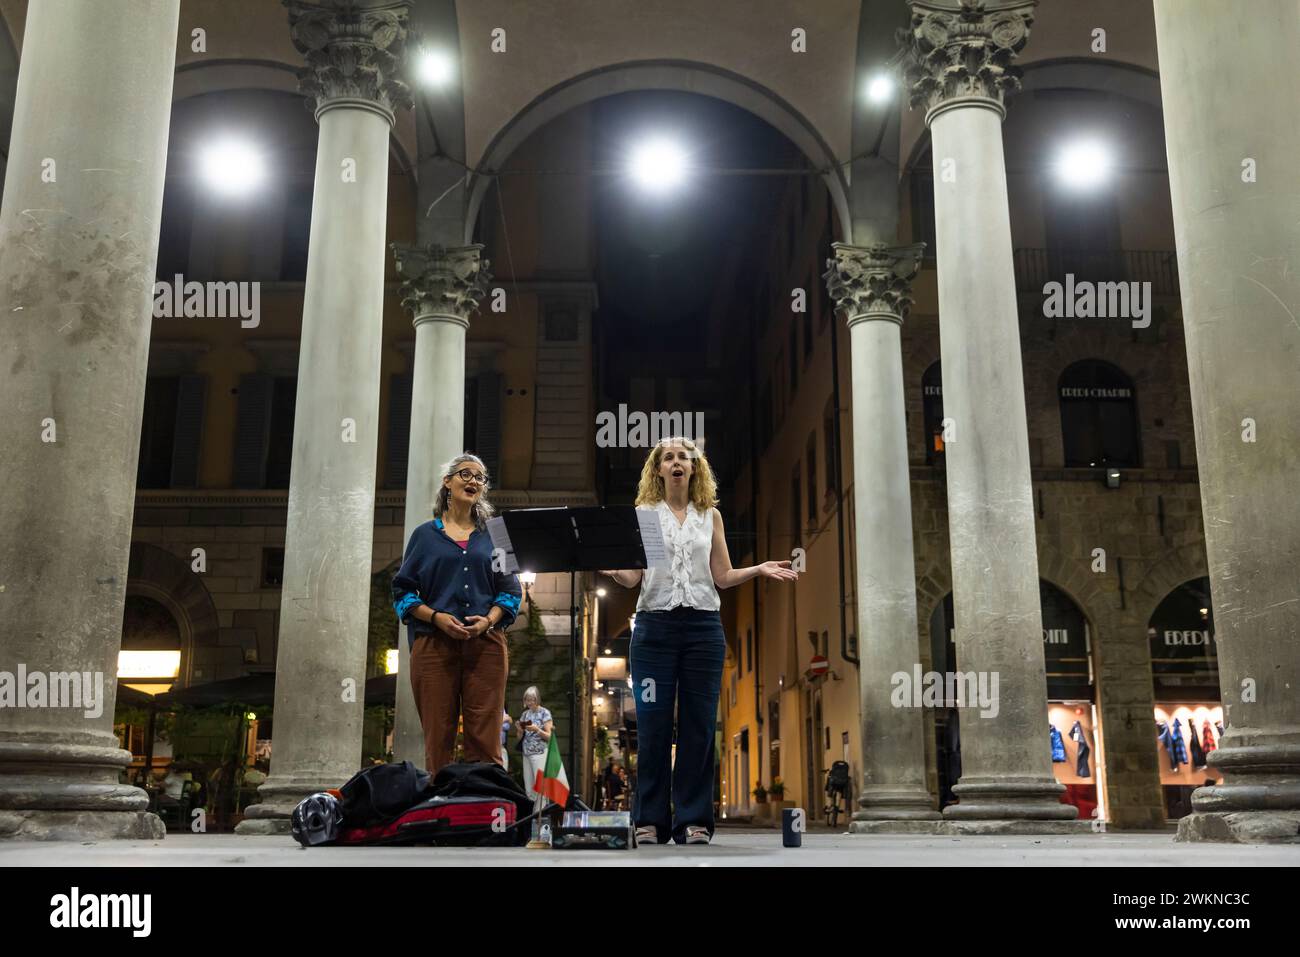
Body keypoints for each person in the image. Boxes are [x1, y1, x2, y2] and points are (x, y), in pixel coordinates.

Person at [602, 436, 797, 845]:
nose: (676, 463)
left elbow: (722, 577)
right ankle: (649, 821)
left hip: (703, 631)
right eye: (668, 457)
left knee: (698, 727)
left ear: (694, 469)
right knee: (653, 727)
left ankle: (694, 819)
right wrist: (607, 565)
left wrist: (758, 568)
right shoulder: (644, 516)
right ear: (657, 469)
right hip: (653, 630)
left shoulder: (711, 516)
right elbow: (634, 576)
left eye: (684, 458)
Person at [392, 453, 521, 774]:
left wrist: (488, 621)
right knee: (439, 738)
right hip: (433, 646)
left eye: (480, 477)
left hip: (487, 645)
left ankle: (485, 811)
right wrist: (436, 618)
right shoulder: (424, 536)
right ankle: (440, 812)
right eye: (466, 474)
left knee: (486, 740)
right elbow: (402, 593)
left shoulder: (496, 535)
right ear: (447, 482)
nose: (474, 481)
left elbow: (511, 592)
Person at [517, 686, 554, 801]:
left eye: (532, 699)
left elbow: (550, 737)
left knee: (540, 787)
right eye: (527, 700)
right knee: (529, 788)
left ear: (537, 699)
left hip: (540, 753)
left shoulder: (545, 713)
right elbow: (519, 738)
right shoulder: (525, 714)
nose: (530, 702)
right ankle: (534, 815)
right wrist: (519, 729)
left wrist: (537, 729)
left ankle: (541, 815)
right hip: (526, 753)